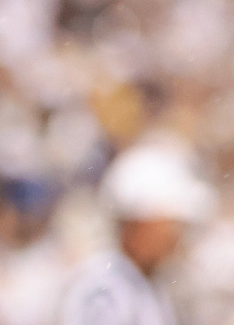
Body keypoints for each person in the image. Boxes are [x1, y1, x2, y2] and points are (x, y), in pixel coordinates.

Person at [58, 138, 214, 325]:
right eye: (170, 225)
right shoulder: (104, 289)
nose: (176, 237)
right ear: (140, 222)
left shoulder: (141, 283)